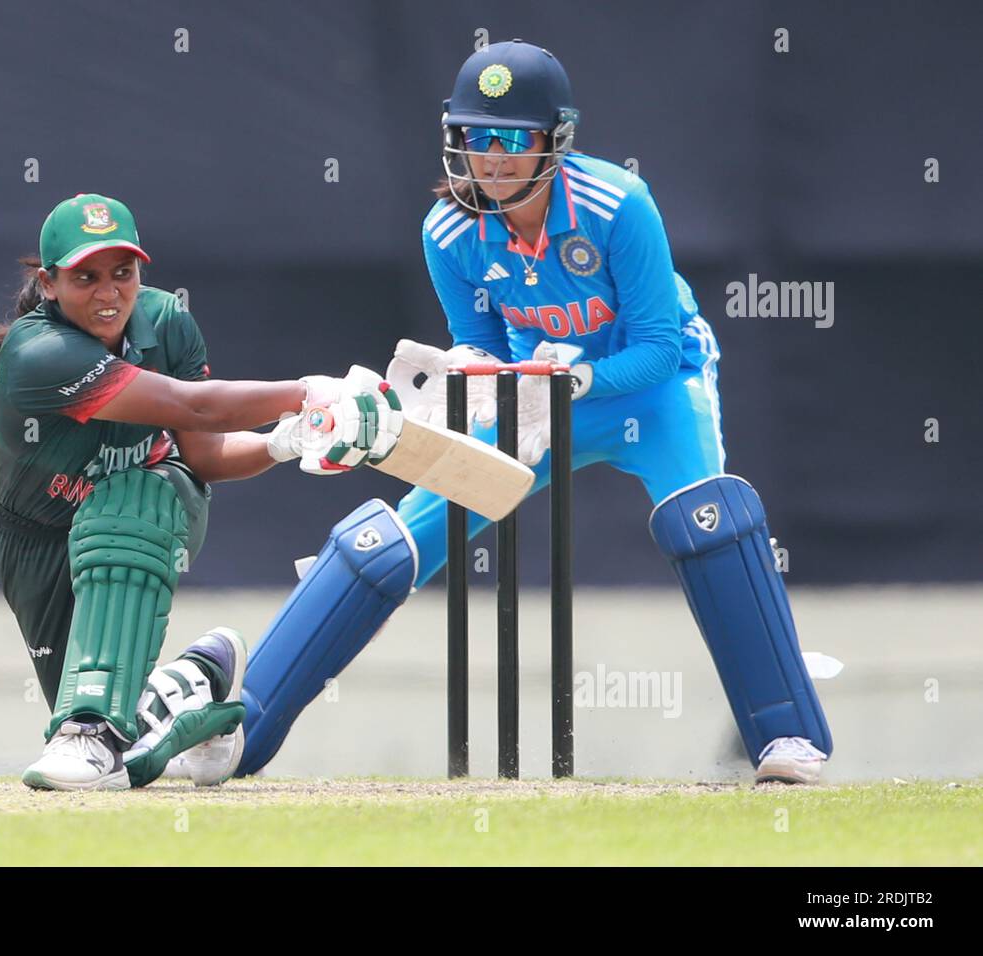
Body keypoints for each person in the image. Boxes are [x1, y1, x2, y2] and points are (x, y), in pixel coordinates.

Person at [233, 40, 832, 785]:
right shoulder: (448, 232)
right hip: (538, 398)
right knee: (404, 532)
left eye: (512, 138)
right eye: (475, 137)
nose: (492, 157)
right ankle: (242, 727)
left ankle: (785, 734)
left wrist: (576, 378)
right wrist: (477, 380)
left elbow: (656, 347)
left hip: (653, 387)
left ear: (555, 139)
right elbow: (480, 345)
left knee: (707, 521)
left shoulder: (618, 205)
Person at [0, 193, 403, 791]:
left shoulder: (167, 322)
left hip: (149, 513)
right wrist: (310, 391)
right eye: (86, 277)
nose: (109, 293)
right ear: (49, 283)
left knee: (132, 494)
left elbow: (203, 454)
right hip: (39, 541)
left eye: (122, 273)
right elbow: (192, 404)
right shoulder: (39, 352)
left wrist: (284, 443)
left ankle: (93, 729)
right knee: (132, 757)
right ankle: (202, 680)